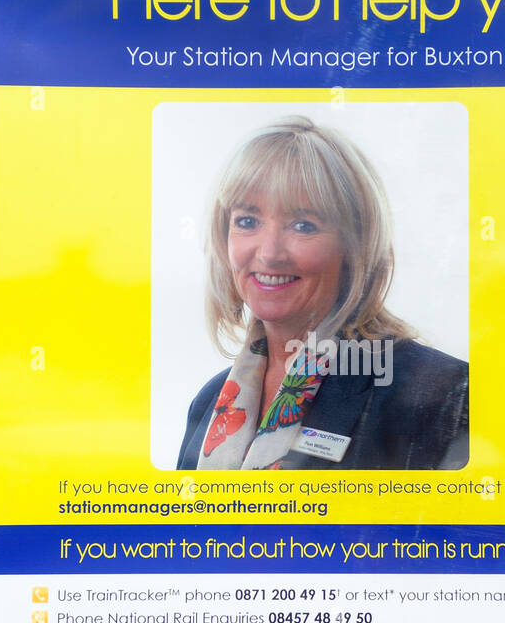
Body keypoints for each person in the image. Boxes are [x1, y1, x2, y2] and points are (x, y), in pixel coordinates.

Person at [176, 116, 468, 471]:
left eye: (303, 225)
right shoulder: (208, 402)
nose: (269, 253)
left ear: (354, 246)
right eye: (247, 221)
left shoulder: (442, 392)